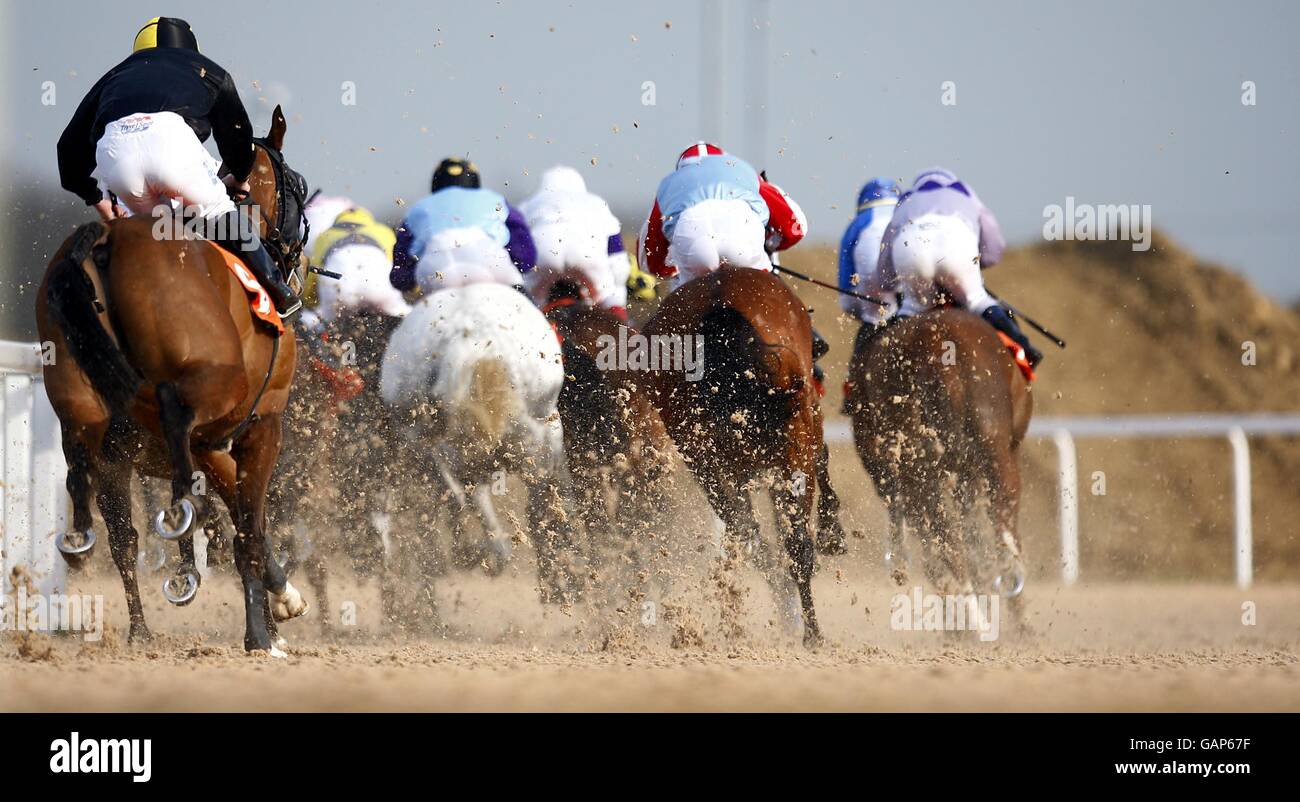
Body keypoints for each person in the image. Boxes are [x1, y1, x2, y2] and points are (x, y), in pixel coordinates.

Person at [55, 16, 301, 318]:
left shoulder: (113, 77)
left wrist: (96, 199)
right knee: (220, 213)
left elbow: (68, 153)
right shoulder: (208, 70)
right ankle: (278, 290)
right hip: (169, 142)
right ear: (190, 48)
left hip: (115, 155)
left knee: (154, 232)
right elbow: (237, 135)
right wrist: (239, 177)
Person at [877, 168, 1042, 367]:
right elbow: (993, 251)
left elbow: (885, 276)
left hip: (912, 250)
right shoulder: (966, 192)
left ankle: (886, 364)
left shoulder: (905, 200)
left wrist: (903, 287)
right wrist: (971, 270)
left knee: (911, 307)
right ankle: (1026, 349)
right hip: (956, 245)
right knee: (978, 301)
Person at [638, 142, 806, 290]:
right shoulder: (743, 171)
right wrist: (769, 244)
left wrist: (671, 269)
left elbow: (649, 260)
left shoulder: (669, 185)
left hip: (695, 243)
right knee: (769, 290)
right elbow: (797, 228)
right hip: (742, 235)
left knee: (682, 303)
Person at [388, 157, 536, 296]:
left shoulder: (417, 209)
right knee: (524, 305)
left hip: (436, 268)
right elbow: (526, 258)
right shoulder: (495, 199)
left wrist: (407, 282)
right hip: (487, 260)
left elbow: (401, 278)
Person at [518, 165, 629, 319]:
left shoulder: (528, 204)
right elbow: (617, 257)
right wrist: (618, 286)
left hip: (544, 256)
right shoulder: (596, 202)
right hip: (586, 256)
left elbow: (517, 247)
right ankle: (623, 330)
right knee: (611, 297)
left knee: (527, 306)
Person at [310, 207, 409, 324]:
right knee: (406, 318)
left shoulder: (323, 236)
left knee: (318, 322)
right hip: (377, 287)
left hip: (339, 292)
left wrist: (311, 303)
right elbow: (397, 267)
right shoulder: (383, 230)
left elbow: (312, 277)